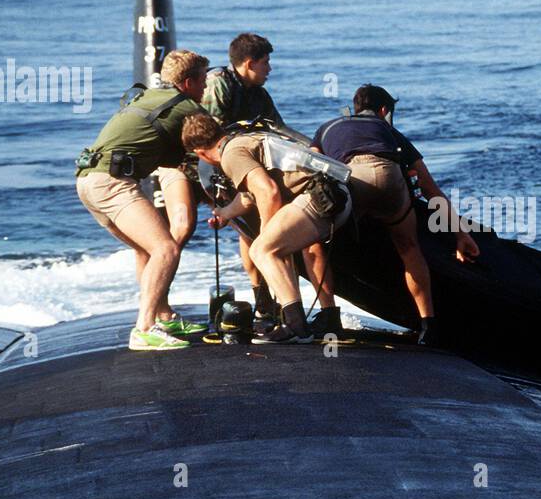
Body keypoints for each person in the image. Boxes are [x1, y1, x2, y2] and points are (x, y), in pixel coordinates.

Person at [313, 85, 479, 346]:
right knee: (409, 248)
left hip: (352, 180)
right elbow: (429, 187)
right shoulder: (390, 131)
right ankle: (429, 325)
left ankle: (329, 317)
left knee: (315, 244)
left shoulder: (328, 127)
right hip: (388, 176)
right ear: (383, 110)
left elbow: (312, 165)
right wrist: (461, 234)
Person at [74, 50, 210, 351]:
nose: (206, 87)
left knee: (146, 249)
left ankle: (163, 316)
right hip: (111, 183)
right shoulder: (186, 107)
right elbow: (213, 144)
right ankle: (144, 328)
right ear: (188, 82)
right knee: (166, 248)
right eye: (202, 80)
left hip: (87, 180)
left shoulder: (148, 96)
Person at [181, 112, 350, 343]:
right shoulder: (245, 139)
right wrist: (225, 213)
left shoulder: (230, 154)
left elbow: (268, 191)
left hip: (322, 197)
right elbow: (250, 195)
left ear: (200, 153)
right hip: (333, 193)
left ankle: (296, 327)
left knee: (261, 250)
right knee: (271, 249)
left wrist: (267, 234)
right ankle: (299, 321)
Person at [202, 33, 296, 324]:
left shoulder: (259, 93)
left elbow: (279, 129)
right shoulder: (219, 83)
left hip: (247, 163)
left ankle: (269, 299)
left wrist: (315, 148)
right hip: (219, 166)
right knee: (248, 229)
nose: (270, 69)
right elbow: (210, 133)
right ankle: (263, 298)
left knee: (254, 229)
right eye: (266, 63)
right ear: (250, 63)